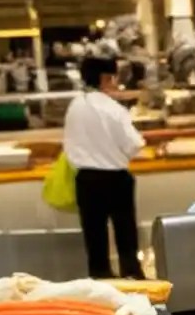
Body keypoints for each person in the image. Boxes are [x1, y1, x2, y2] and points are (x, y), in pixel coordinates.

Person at [63, 56, 147, 280]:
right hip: (116, 178)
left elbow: (69, 145)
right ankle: (132, 277)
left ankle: (101, 280)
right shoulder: (114, 109)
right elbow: (134, 144)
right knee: (125, 235)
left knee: (94, 238)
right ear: (106, 78)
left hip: (86, 179)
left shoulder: (75, 106)